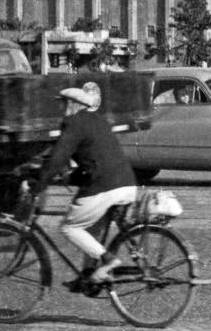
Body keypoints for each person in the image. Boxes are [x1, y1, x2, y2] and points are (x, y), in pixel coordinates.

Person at [33, 82, 137, 285]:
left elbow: (58, 158)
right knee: (91, 231)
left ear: (73, 104)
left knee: (69, 227)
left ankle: (109, 261)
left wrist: (39, 183)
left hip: (106, 187)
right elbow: (95, 158)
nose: (61, 109)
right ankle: (88, 276)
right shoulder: (98, 121)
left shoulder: (74, 122)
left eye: (63, 104)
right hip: (127, 183)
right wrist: (71, 178)